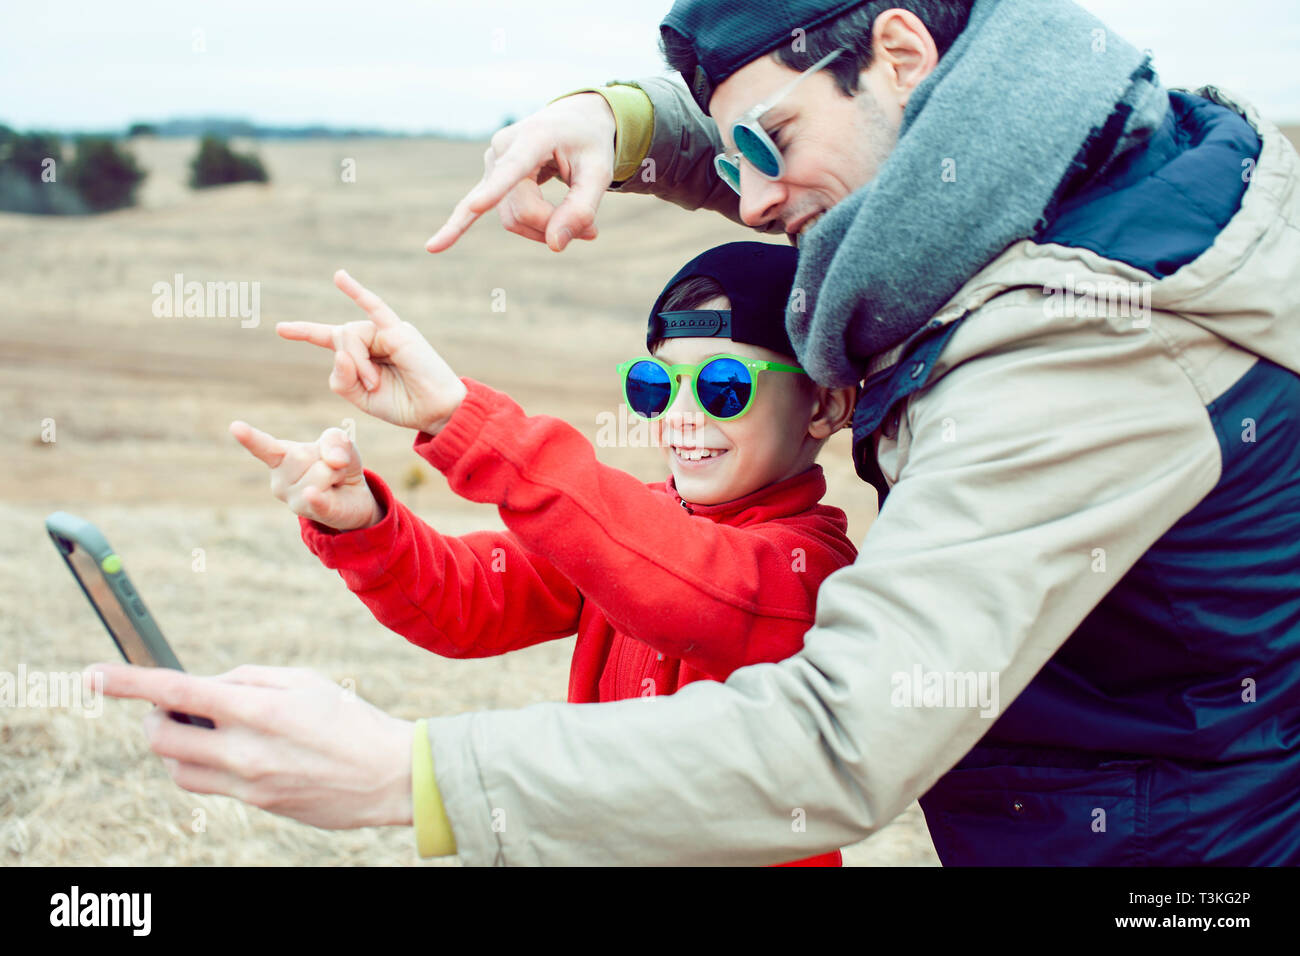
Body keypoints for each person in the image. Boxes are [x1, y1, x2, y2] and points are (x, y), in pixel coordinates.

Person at [94, 0, 1300, 866]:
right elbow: (483, 593)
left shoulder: (1074, 342)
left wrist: (406, 774)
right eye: (656, 383)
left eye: (725, 388)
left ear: (899, 50)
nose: (757, 197)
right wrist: (621, 125)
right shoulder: (1078, 159)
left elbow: (832, 732)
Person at [238, 244, 857, 864]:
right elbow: (469, 601)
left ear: (825, 405)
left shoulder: (809, 570)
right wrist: (362, 526)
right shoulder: (627, 530)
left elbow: (683, 585)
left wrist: (464, 420)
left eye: (726, 386)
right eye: (656, 385)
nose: (680, 416)